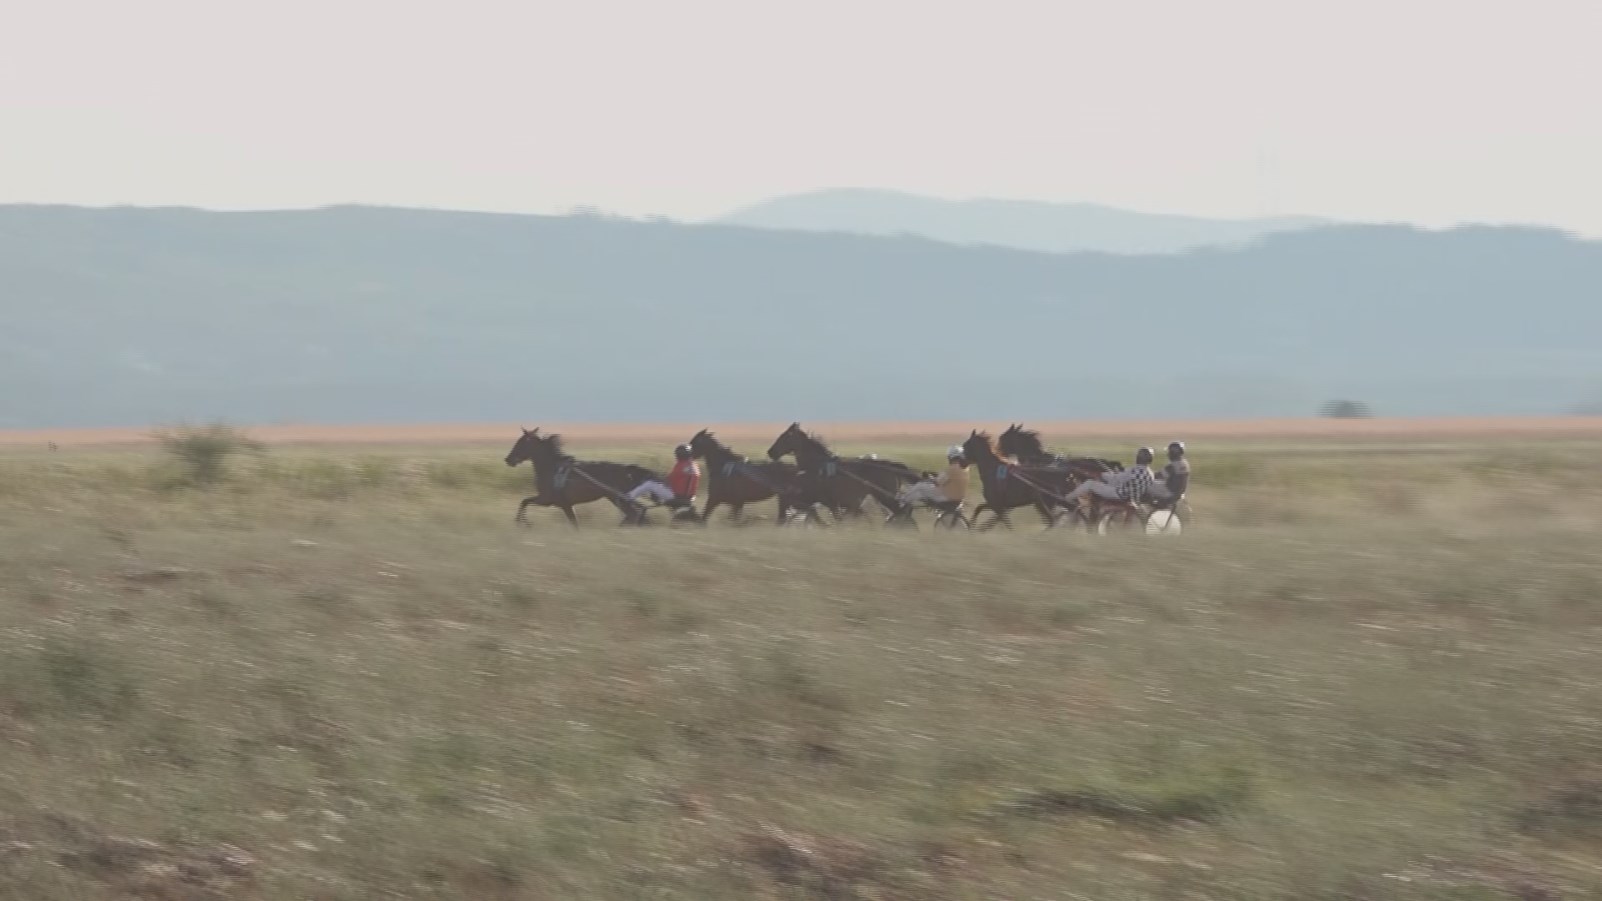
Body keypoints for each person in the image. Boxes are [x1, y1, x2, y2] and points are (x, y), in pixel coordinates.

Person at [1063, 446, 1155, 507]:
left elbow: (1116, 479)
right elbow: (1125, 479)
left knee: (1090, 483)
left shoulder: (1135, 470)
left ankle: (1067, 498)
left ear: (1138, 457)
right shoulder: (1151, 474)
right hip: (1131, 497)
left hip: (1118, 494)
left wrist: (1101, 474)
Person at [896, 445, 969, 509]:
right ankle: (906, 504)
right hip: (958, 498)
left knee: (920, 486)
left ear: (951, 456)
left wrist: (930, 478)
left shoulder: (952, 468)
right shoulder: (965, 469)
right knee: (919, 493)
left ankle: (902, 500)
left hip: (946, 498)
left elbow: (938, 482)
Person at [627, 444, 701, 506]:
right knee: (658, 485)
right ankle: (656, 500)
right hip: (690, 497)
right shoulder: (694, 465)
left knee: (649, 484)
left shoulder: (681, 465)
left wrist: (655, 478)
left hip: (676, 497)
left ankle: (629, 497)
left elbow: (667, 481)